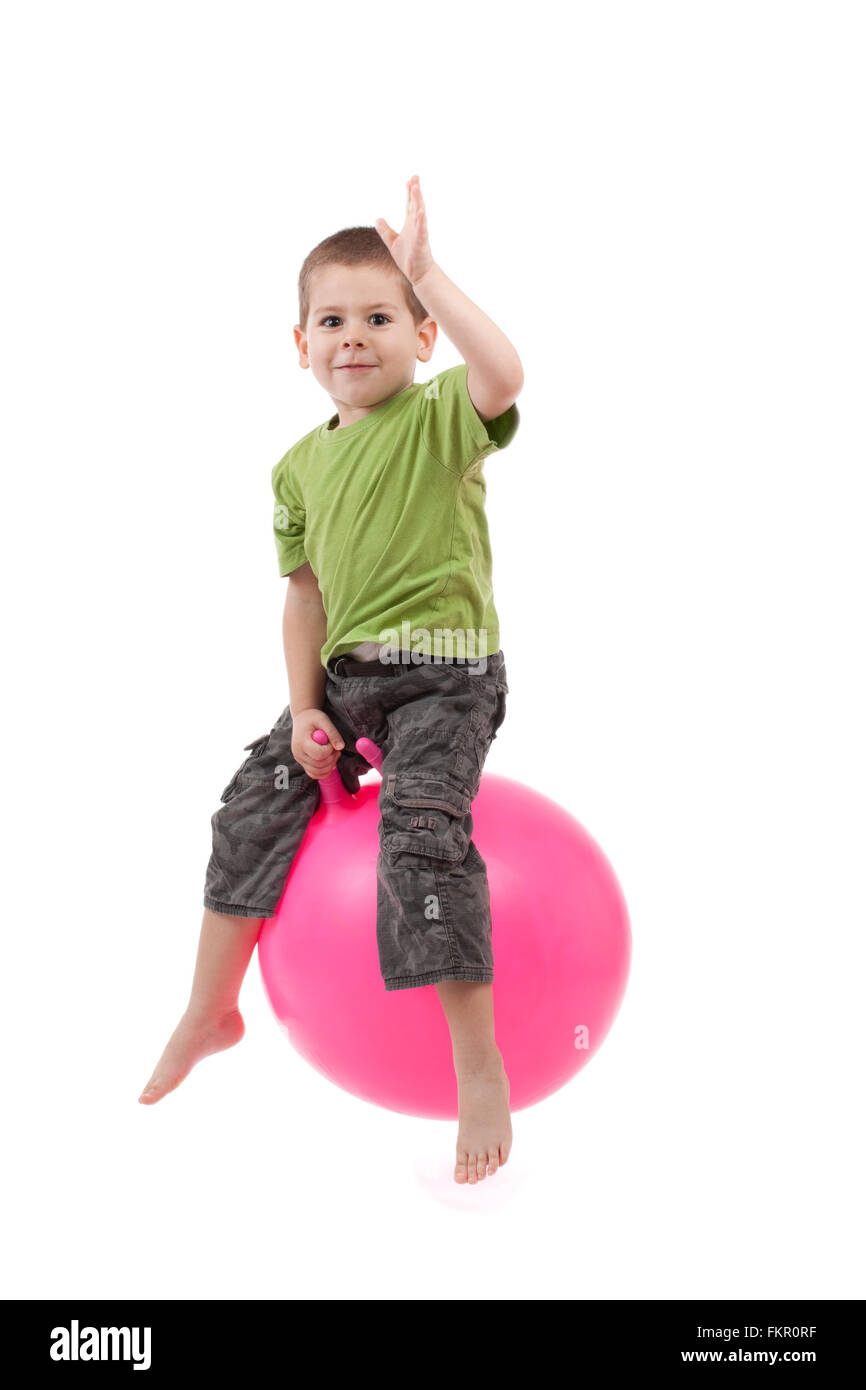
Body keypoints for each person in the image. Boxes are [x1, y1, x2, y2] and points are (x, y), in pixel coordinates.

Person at [139, 176, 523, 1186]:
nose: (355, 337)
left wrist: (432, 270)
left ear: (422, 335)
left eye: (382, 316)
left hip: (446, 679)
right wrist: (306, 710)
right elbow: (303, 598)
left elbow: (507, 372)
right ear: (299, 343)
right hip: (349, 684)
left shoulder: (441, 416)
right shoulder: (296, 469)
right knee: (248, 806)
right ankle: (208, 1008)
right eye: (332, 320)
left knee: (420, 840)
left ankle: (476, 1061)